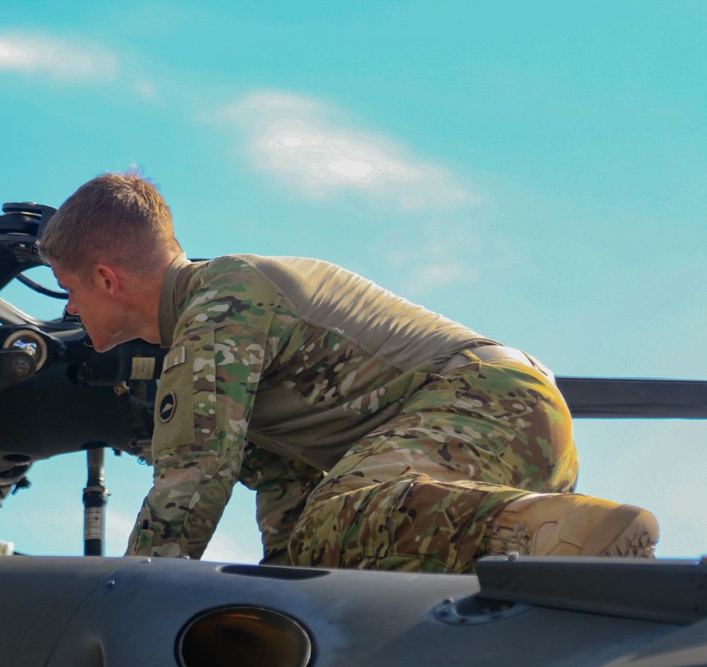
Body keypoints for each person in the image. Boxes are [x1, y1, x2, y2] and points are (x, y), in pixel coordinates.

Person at [37, 170, 659, 572]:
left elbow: (189, 487)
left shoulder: (218, 308)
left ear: (107, 279)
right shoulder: (222, 331)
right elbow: (291, 511)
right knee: (339, 557)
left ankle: (561, 536)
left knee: (335, 522)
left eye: (68, 289)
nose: (67, 309)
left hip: (486, 405)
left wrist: (114, 606)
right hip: (498, 428)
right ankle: (554, 548)